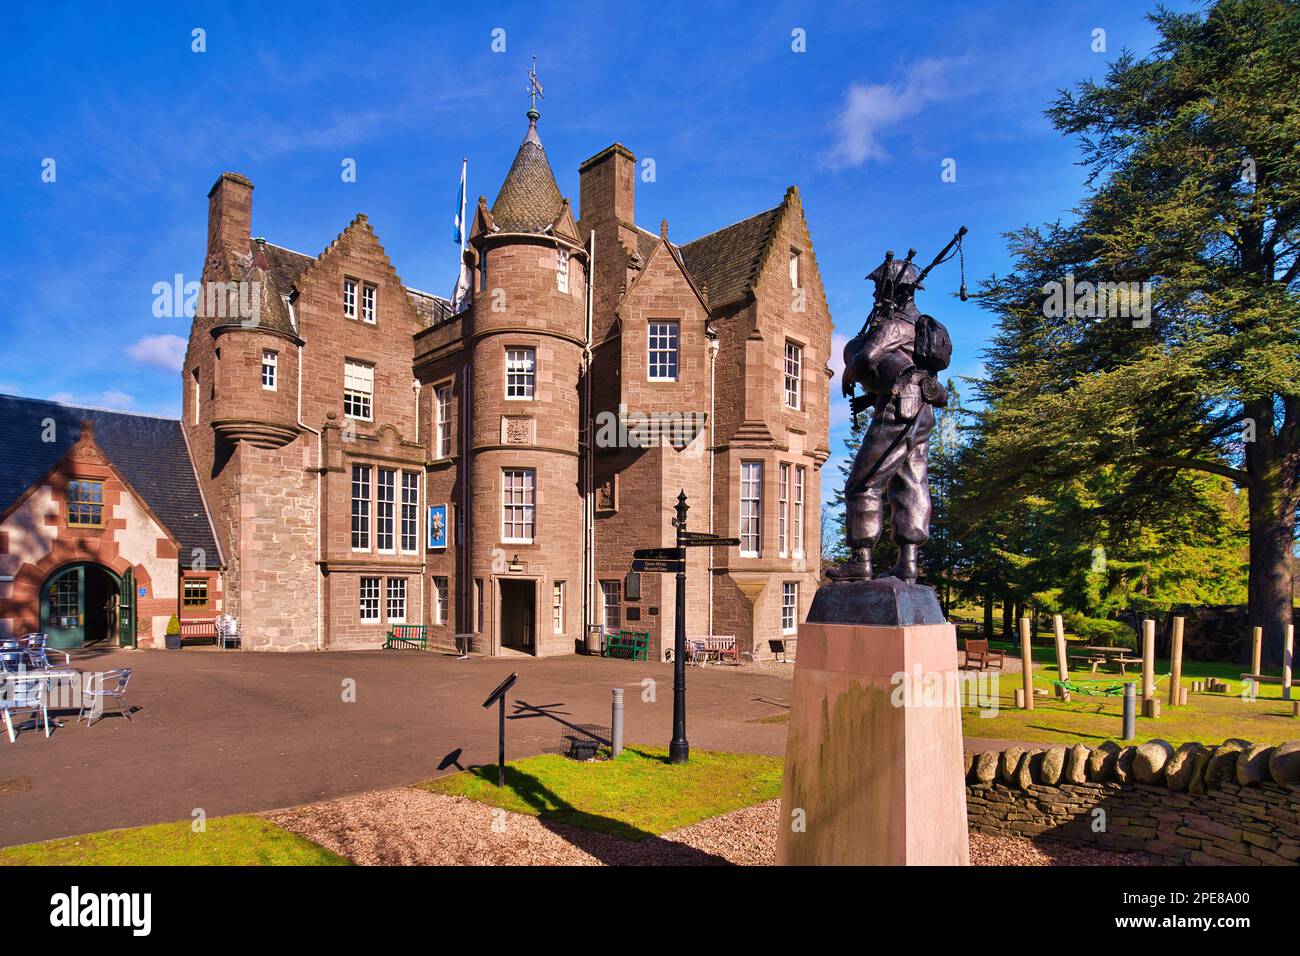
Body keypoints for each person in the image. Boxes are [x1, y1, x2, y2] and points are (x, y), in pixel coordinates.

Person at [832, 254, 949, 582]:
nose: (874, 296)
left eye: (878, 289)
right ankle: (909, 561)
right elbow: (904, 373)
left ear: (892, 290)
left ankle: (860, 559)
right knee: (911, 480)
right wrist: (872, 397)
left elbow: (867, 356)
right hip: (921, 413)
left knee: (862, 482)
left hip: (899, 410)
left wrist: (849, 371)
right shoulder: (917, 326)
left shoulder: (893, 325)